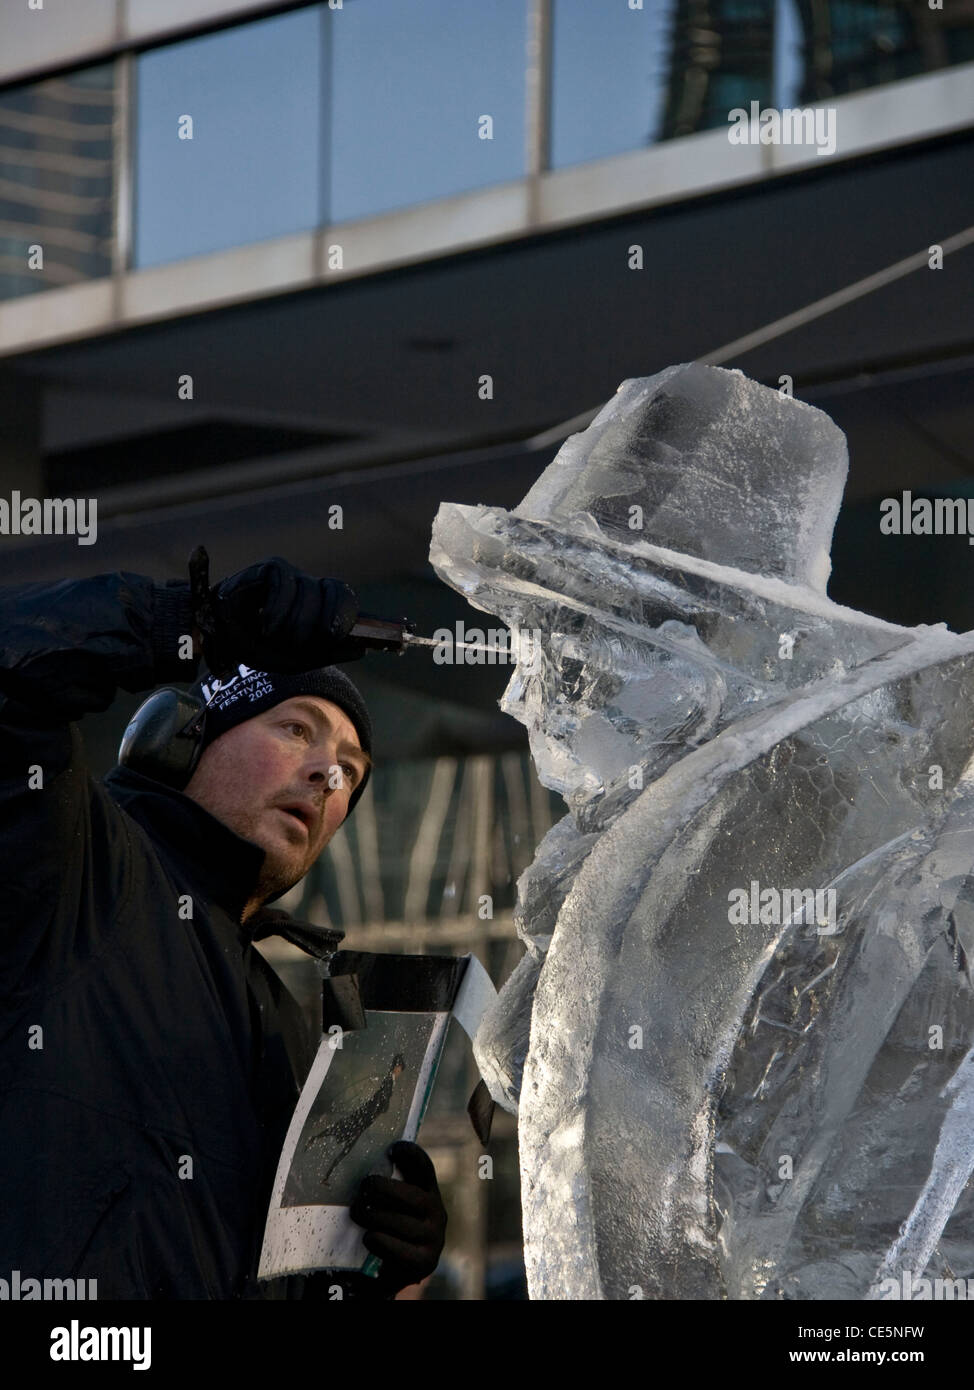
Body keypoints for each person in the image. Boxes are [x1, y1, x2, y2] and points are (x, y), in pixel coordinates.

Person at [0, 556, 447, 1300]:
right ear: (180, 739)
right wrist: (187, 625)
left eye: (351, 771)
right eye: (297, 728)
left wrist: (378, 1269)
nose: (326, 776)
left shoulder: (289, 1024)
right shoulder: (78, 863)